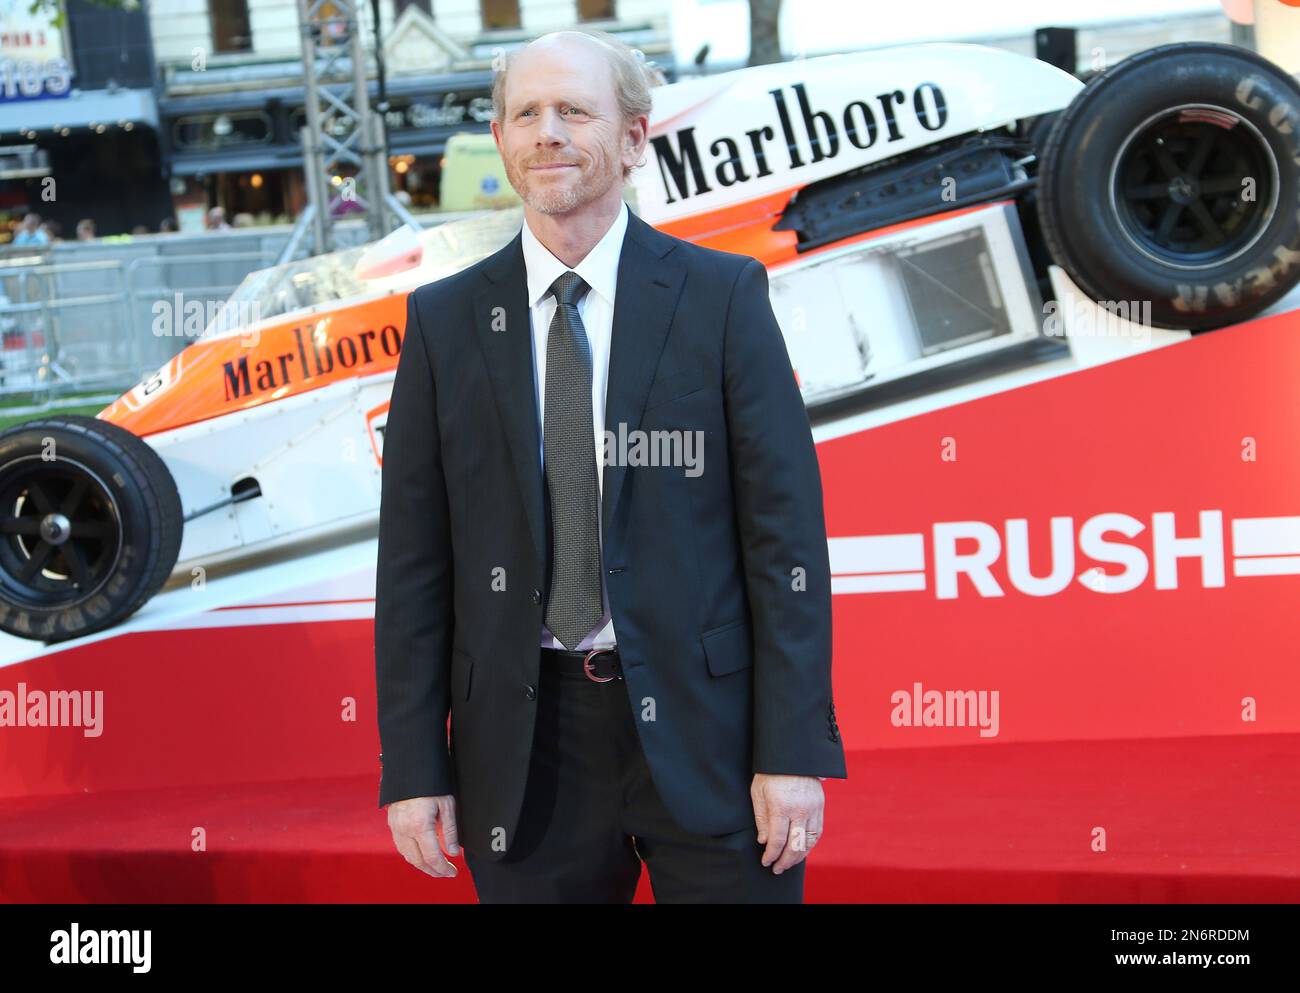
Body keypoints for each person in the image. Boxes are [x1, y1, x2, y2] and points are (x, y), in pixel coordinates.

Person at [375, 29, 844, 904]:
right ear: (501, 138)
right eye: (525, 114)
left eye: (573, 110)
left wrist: (792, 750)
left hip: (712, 736)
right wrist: (411, 764)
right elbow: (412, 564)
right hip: (524, 750)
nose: (547, 132)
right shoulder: (444, 322)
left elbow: (785, 542)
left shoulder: (722, 297)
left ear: (632, 138)